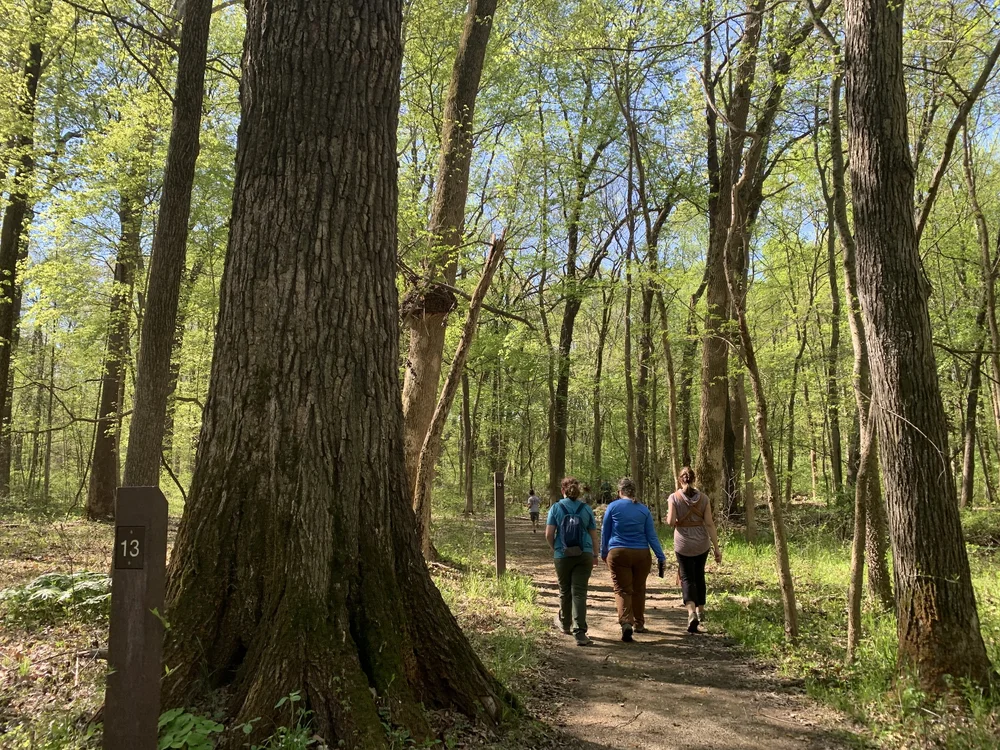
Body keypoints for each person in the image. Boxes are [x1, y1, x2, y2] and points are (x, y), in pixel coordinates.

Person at [600, 477, 666, 642]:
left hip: (618, 552)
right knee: (638, 588)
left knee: (622, 589)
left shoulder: (612, 507)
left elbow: (605, 532)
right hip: (641, 554)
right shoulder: (643, 510)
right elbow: (651, 536)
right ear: (634, 492)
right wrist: (660, 555)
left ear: (619, 492)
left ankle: (626, 623)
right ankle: (639, 623)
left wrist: (603, 552)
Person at [666, 466, 722, 634]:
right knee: (699, 575)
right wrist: (716, 549)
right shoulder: (704, 499)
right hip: (701, 543)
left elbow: (670, 522)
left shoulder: (674, 497)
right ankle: (701, 610)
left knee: (687, 577)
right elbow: (710, 524)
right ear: (694, 479)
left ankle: (691, 612)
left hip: (682, 543)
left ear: (679, 479)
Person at [546, 476, 600, 646]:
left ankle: (565, 624)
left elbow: (548, 534)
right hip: (584, 553)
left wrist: (556, 548)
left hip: (563, 555)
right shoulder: (586, 509)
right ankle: (580, 632)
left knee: (564, 590)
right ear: (578, 490)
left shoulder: (555, 508)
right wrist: (595, 554)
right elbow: (593, 534)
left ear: (563, 490)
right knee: (579, 592)